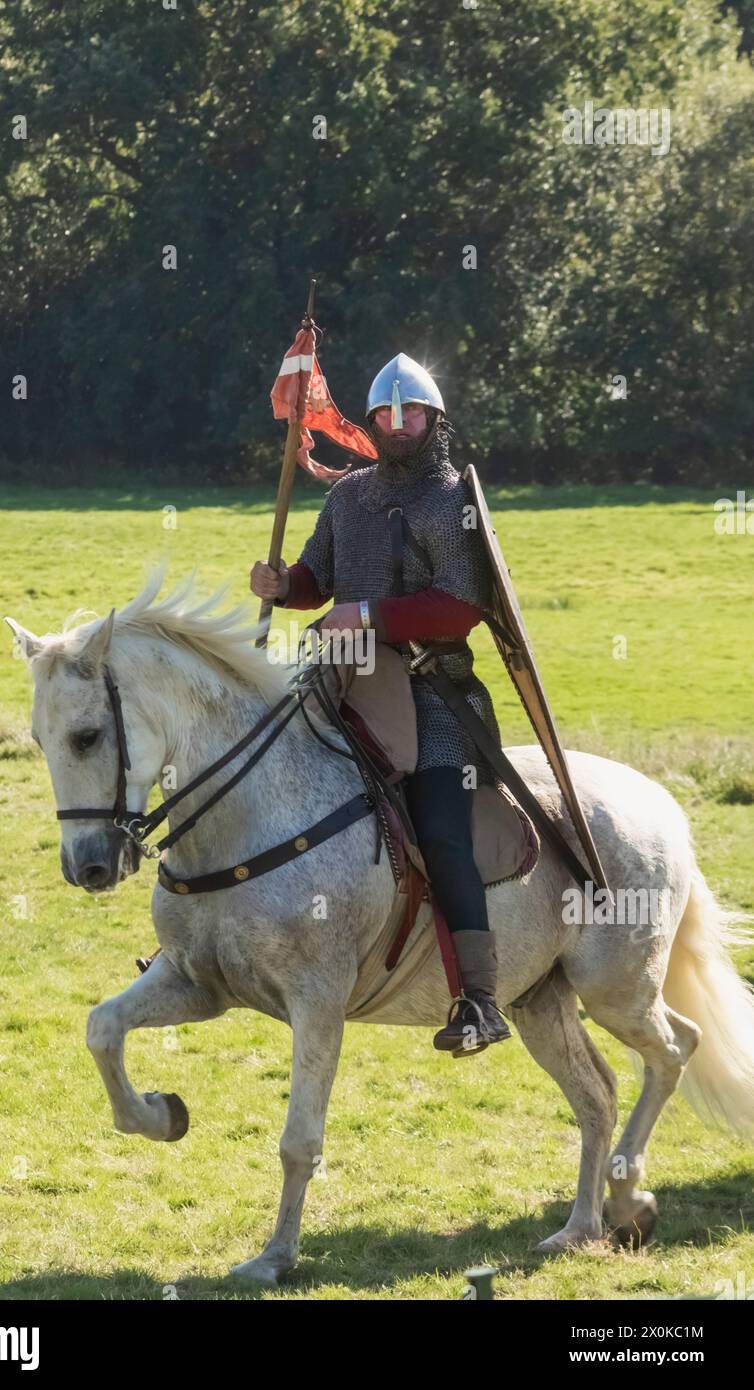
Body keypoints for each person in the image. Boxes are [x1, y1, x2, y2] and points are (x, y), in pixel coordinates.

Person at [251, 354, 510, 1057]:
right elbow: (317, 580)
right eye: (387, 415)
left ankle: (478, 1000)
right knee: (263, 776)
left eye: (412, 413)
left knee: (441, 831)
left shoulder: (447, 498)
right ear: (371, 423)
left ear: (434, 420)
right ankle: (212, 942)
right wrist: (284, 584)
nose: (399, 424)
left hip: (433, 696)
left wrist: (367, 615)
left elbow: (460, 607)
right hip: (346, 683)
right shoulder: (350, 497)